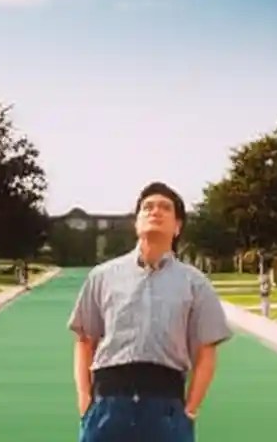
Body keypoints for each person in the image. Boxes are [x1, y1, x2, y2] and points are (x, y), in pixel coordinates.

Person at [67, 181, 233, 442]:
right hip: (108, 407)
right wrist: (85, 401)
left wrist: (189, 410)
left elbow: (206, 352)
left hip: (166, 409)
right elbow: (85, 341)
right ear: (136, 223)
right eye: (148, 207)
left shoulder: (195, 283)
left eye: (165, 208)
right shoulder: (102, 277)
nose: (155, 211)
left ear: (177, 226)